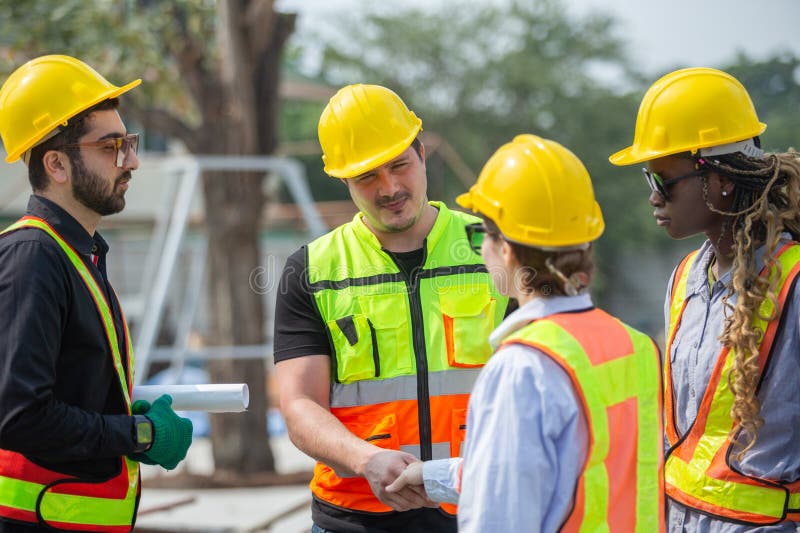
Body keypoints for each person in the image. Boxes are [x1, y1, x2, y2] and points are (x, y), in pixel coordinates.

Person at [386, 134, 665, 532]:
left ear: (507, 250)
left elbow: (500, 514)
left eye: (482, 234)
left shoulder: (523, 366)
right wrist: (431, 477)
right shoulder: (635, 346)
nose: (480, 249)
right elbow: (570, 468)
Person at [273, 83, 508, 532]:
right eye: (367, 177)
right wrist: (366, 460)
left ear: (421, 153)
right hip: (355, 516)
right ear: (343, 180)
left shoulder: (494, 247)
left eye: (399, 165)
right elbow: (300, 404)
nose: (389, 188)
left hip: (480, 507)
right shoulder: (311, 269)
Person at [0, 55, 193, 533]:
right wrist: (138, 433)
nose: (132, 160)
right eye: (111, 146)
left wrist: (117, 413)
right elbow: (20, 415)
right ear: (57, 164)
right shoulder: (34, 256)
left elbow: (66, 389)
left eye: (128, 142)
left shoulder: (74, 253)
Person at [609, 67, 800, 531]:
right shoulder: (683, 279)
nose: (653, 197)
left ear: (720, 178)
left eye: (663, 180)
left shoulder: (793, 281)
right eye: (646, 179)